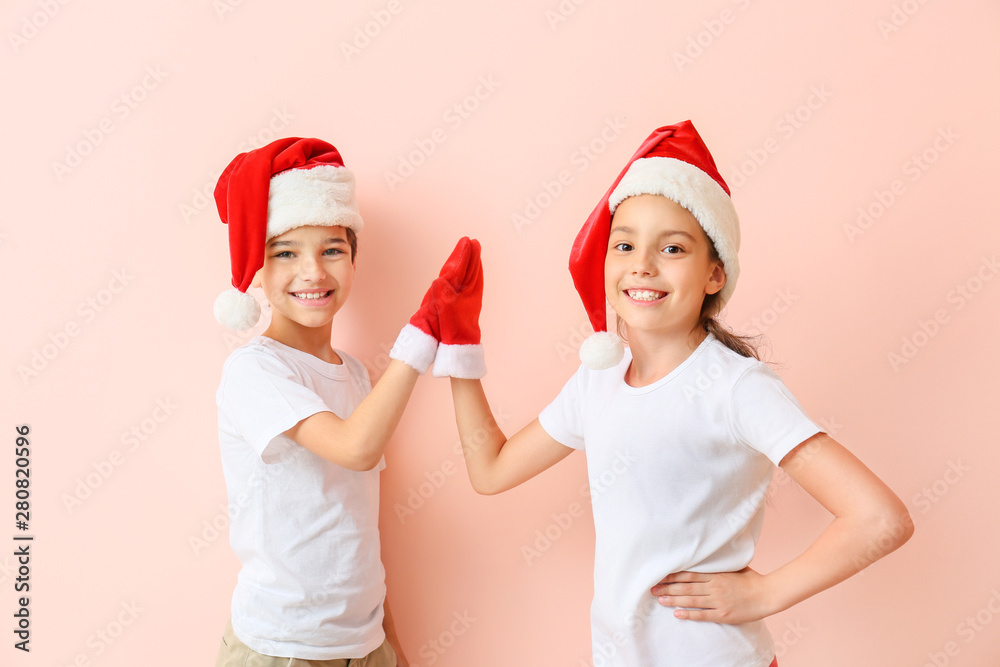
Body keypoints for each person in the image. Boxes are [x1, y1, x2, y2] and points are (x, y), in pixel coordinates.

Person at [436, 122, 913, 666]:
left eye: (672, 247)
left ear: (715, 274)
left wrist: (765, 593)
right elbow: (491, 470)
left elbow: (880, 518)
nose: (643, 263)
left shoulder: (738, 389)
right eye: (625, 244)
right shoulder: (599, 379)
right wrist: (460, 348)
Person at [210, 137, 481, 666]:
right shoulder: (255, 370)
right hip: (282, 650)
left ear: (354, 260)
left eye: (332, 249)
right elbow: (353, 448)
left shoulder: (355, 375)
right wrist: (421, 334)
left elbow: (357, 524)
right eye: (284, 253)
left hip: (364, 646)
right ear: (257, 274)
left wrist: (390, 643)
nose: (313, 271)